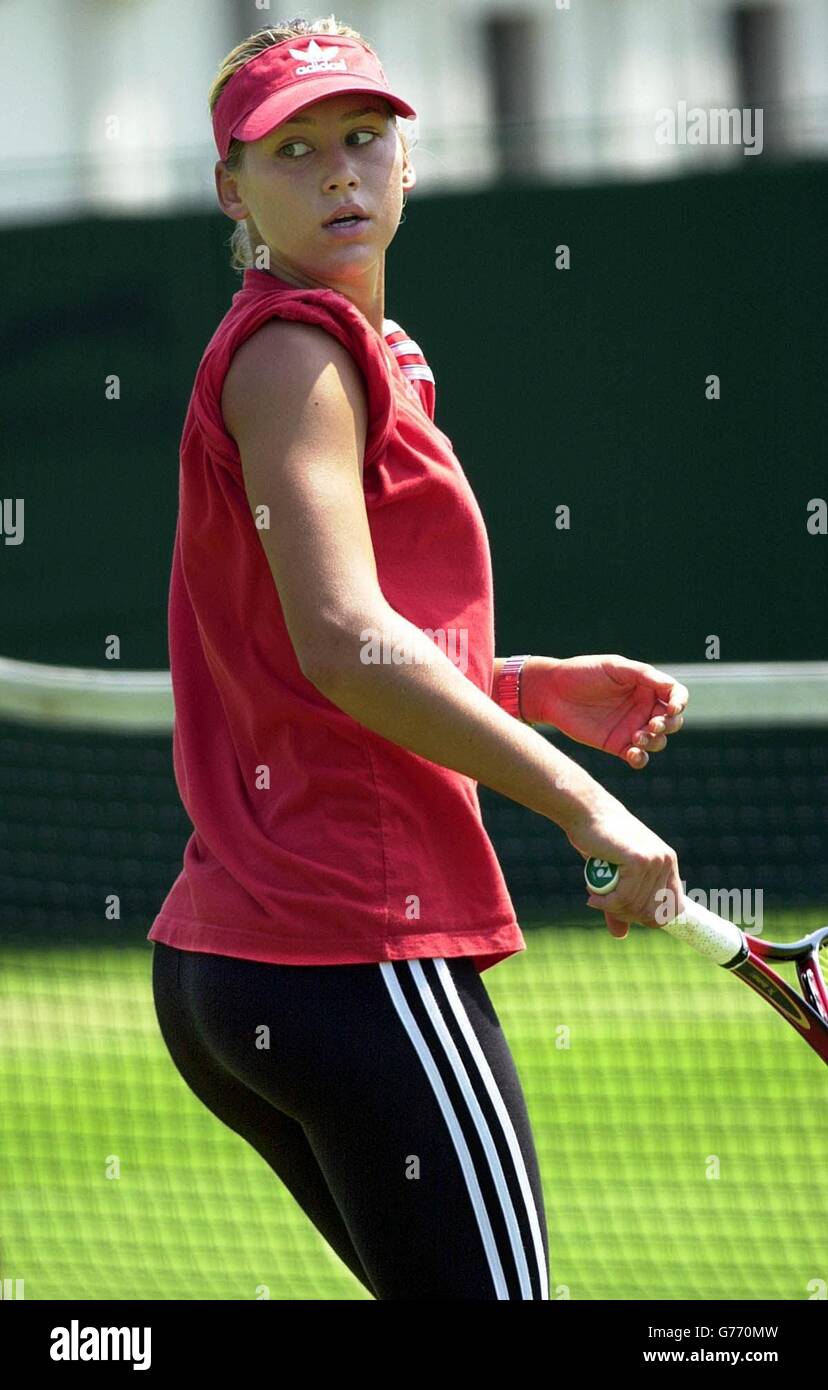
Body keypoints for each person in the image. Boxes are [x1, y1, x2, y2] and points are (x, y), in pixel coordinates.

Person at [147, 15, 688, 1301]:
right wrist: (584, 799)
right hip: (351, 953)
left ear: (405, 160)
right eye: (295, 150)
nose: (339, 172)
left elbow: (310, 655)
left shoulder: (362, 353)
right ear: (234, 186)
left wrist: (519, 684)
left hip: (243, 961)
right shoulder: (294, 355)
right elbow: (344, 646)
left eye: (364, 138)